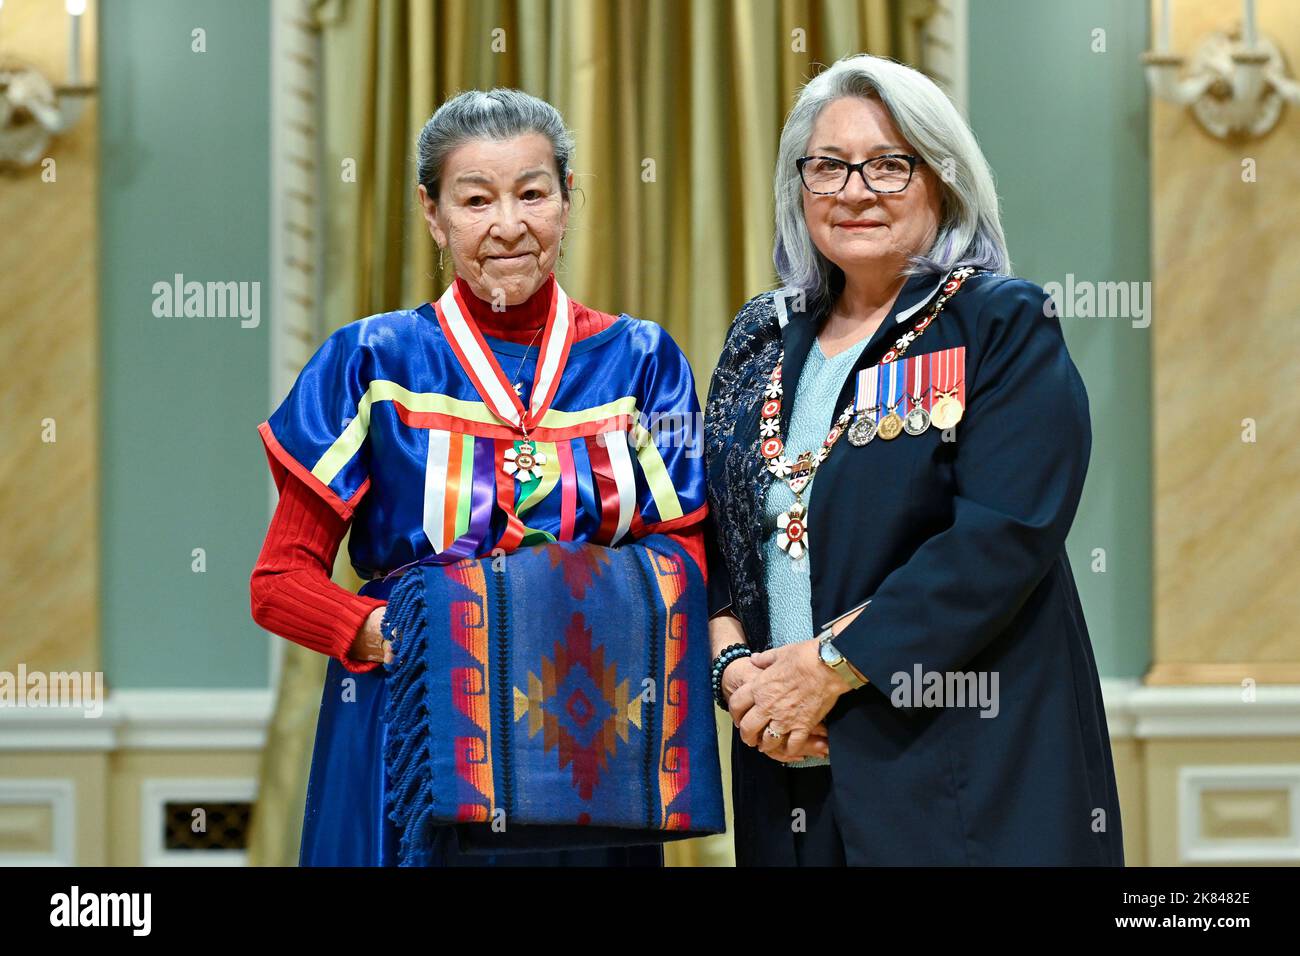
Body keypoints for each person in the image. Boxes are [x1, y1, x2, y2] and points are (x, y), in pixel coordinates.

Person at [250, 88, 709, 866]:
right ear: (433, 214)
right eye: (475, 199)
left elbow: (689, 559)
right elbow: (279, 582)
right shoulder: (370, 361)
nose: (507, 224)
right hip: (406, 734)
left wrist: (543, 621)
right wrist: (407, 635)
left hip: (587, 742)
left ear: (567, 201)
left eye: (532, 193)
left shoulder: (644, 362)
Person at [703, 53, 1124, 866]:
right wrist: (738, 678)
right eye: (828, 167)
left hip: (960, 769)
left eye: (890, 165)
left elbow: (1000, 537)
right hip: (784, 768)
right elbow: (715, 533)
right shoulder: (761, 334)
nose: (855, 191)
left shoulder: (1000, 324)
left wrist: (828, 667)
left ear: (944, 180)